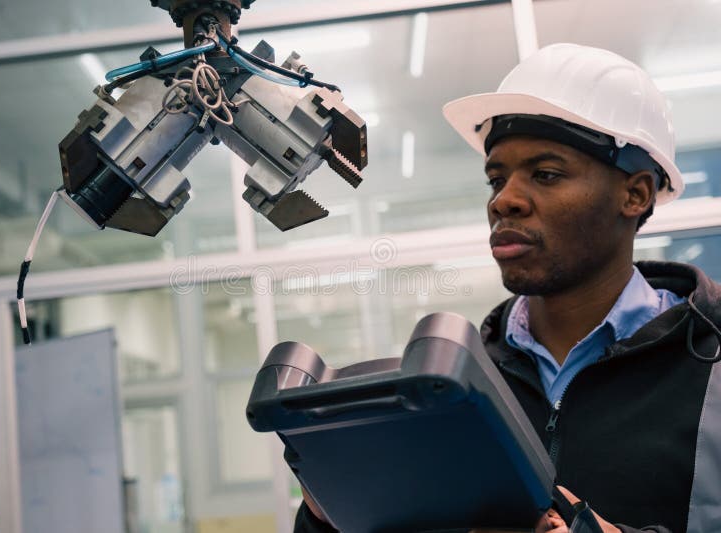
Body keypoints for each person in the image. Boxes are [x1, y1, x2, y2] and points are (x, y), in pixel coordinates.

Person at [292, 43, 721, 533]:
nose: (505, 201)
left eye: (546, 174)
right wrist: (329, 514)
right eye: (496, 179)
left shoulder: (711, 367)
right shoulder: (461, 389)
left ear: (635, 193)